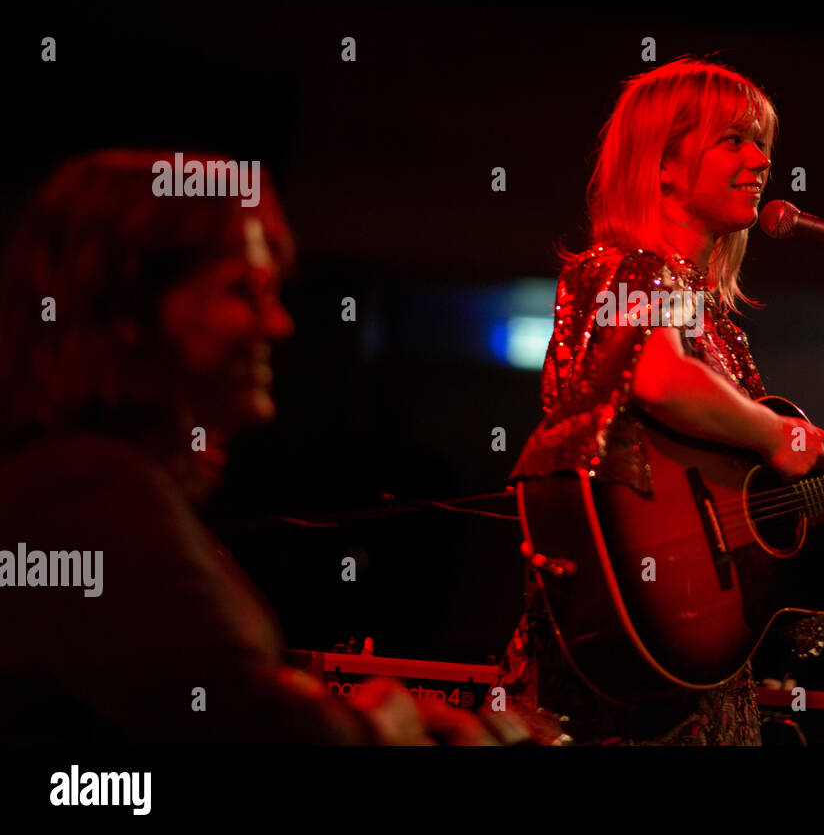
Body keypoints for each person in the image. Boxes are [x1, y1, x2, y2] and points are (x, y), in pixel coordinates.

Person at [496, 56, 824, 745]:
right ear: (663, 164)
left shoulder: (717, 324)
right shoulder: (621, 269)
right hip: (611, 677)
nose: (761, 161)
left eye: (764, 144)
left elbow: (749, 520)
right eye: (735, 140)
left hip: (695, 679)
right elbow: (657, 377)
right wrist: (772, 433)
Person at [0, 148, 524, 745]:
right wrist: (377, 726)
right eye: (243, 291)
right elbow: (247, 727)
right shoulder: (83, 492)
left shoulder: (92, 481)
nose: (279, 324)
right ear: (127, 308)